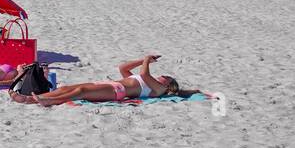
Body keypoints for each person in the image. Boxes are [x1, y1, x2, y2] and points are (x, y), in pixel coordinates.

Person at [11, 54, 189, 107]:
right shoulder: (148, 81)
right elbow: (123, 68)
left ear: (168, 85)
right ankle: (38, 97)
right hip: (110, 85)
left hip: (117, 92)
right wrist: (142, 59)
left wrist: (146, 60)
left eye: (165, 77)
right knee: (69, 87)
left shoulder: (157, 89)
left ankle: (43, 101)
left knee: (80, 93)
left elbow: (144, 75)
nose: (161, 76)